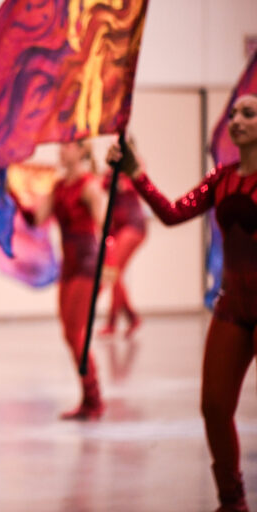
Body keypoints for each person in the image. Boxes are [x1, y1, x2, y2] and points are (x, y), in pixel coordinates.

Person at [109, 93, 257, 512]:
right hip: (232, 308)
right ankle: (232, 502)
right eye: (233, 114)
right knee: (214, 407)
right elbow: (173, 213)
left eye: (249, 113)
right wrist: (136, 172)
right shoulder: (223, 177)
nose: (237, 120)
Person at [14, 139, 106, 420]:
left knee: (76, 334)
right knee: (69, 334)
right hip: (69, 267)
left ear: (81, 150)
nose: (61, 148)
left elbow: (105, 225)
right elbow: (35, 219)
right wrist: (14, 195)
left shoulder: (90, 186)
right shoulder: (59, 187)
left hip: (88, 266)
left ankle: (93, 399)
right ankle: (89, 397)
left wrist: (110, 264)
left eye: (68, 144)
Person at [98, 137, 147, 338]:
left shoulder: (133, 169)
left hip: (133, 227)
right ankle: (132, 318)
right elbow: (101, 185)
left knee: (114, 271)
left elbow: (125, 185)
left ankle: (113, 322)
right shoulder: (111, 170)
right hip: (117, 229)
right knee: (113, 273)